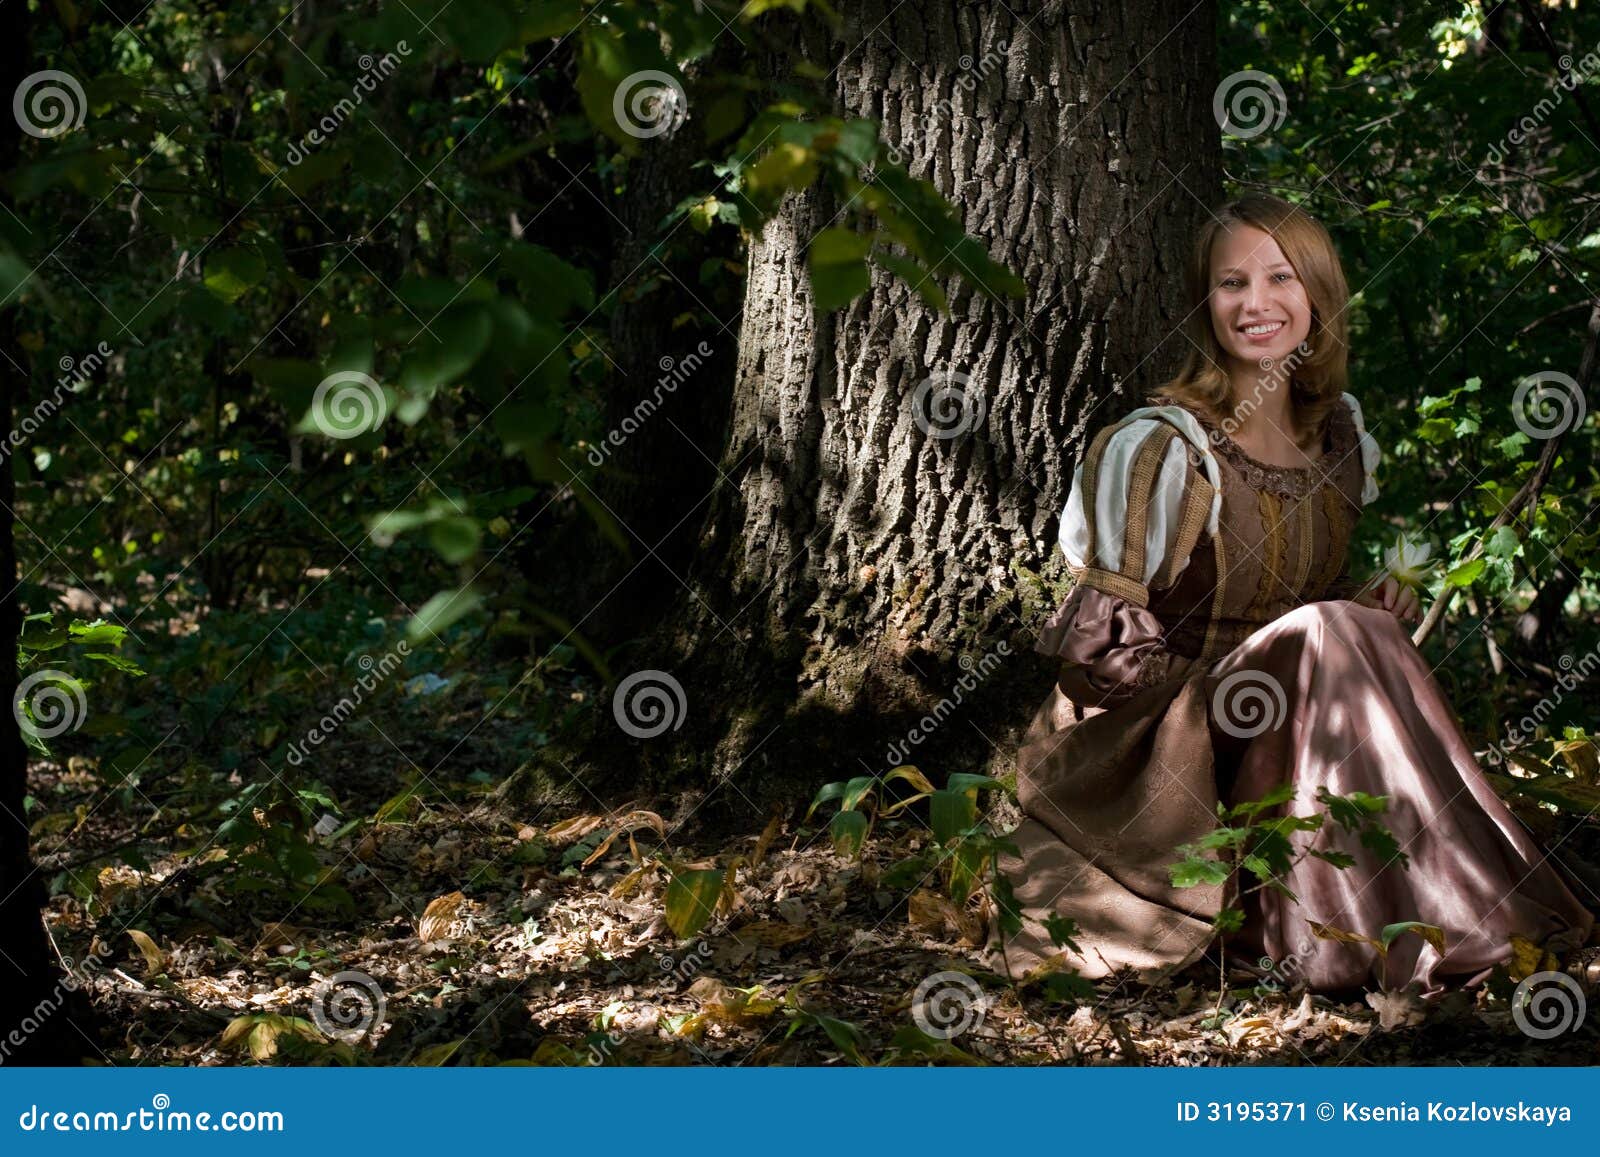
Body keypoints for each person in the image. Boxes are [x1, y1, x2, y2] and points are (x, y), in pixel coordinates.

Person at [990, 193, 1594, 997]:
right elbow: (1100, 659)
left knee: (1346, 627)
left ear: (1317, 297)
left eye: (1280, 277)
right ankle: (1354, 938)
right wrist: (1311, 641)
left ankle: (1440, 916)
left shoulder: (1340, 435)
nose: (1256, 303)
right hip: (1157, 743)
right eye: (1231, 282)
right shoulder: (1158, 448)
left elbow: (1305, 605)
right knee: (1331, 632)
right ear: (1205, 306)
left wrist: (1351, 612)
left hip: (1288, 729)